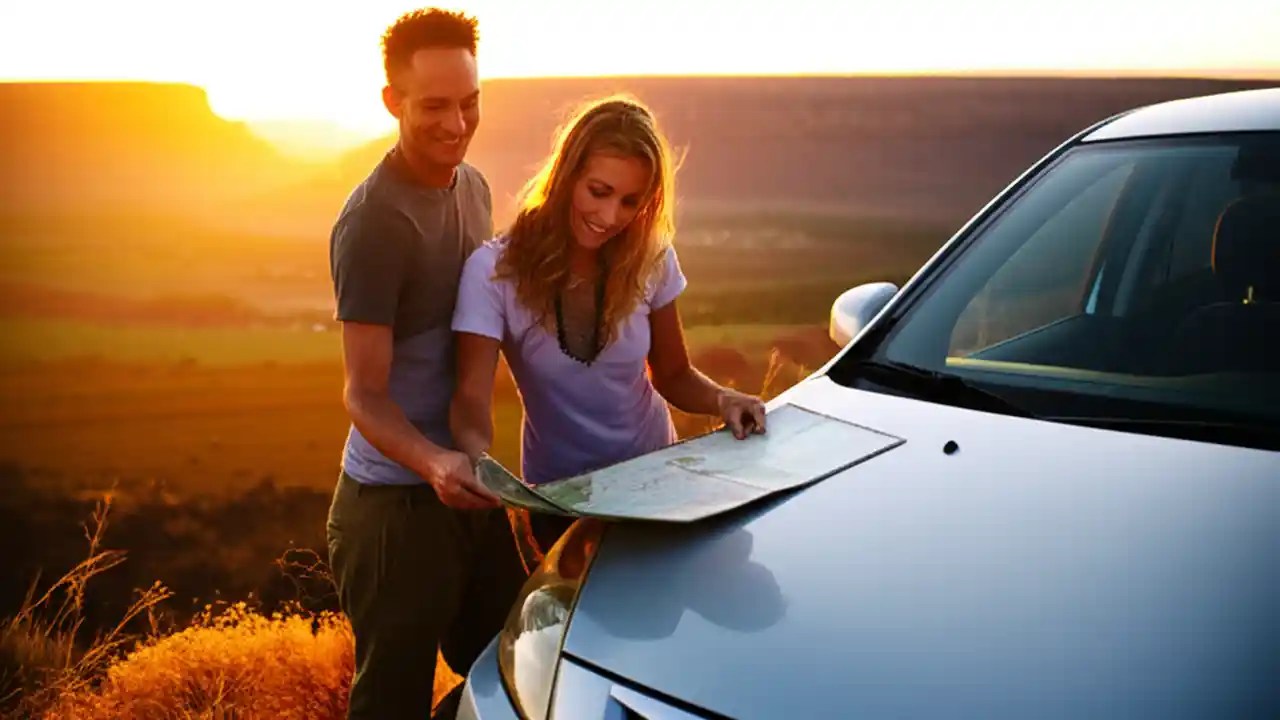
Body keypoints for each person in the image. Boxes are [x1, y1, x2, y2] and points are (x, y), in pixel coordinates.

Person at [449, 95, 768, 552]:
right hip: (560, 503)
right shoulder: (494, 272)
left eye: (630, 201)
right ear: (566, 176)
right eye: (599, 192)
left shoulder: (651, 258)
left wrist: (724, 399)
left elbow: (673, 375)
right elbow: (470, 400)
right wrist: (476, 462)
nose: (611, 217)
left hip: (656, 484)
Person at [324, 9, 526, 720]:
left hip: (466, 485)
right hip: (393, 508)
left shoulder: (471, 185)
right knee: (391, 704)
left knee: (517, 672)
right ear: (392, 103)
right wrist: (434, 462)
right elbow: (364, 394)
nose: (457, 123)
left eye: (469, 102)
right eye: (434, 106)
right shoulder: (374, 224)